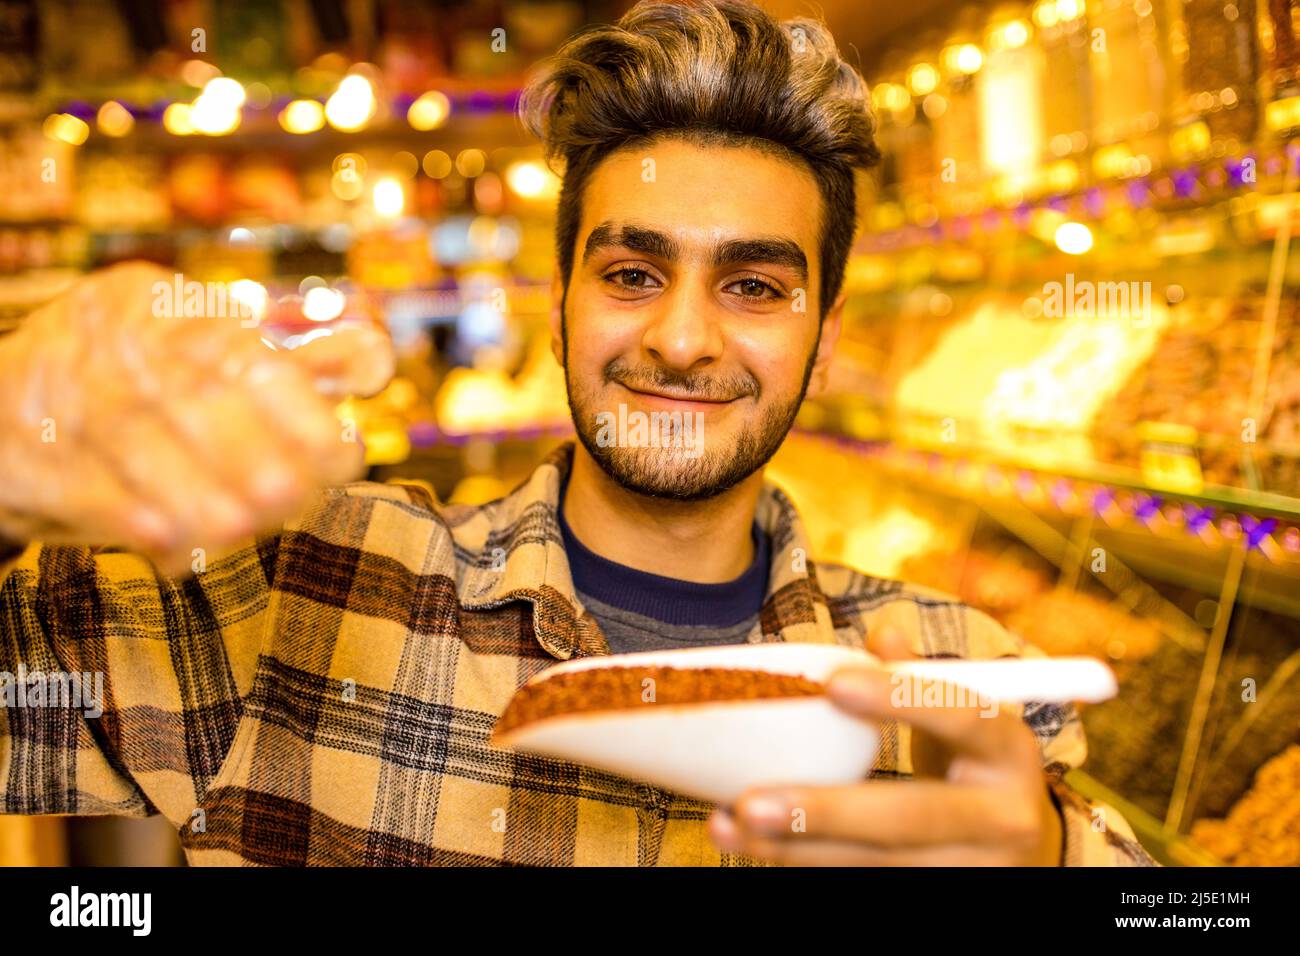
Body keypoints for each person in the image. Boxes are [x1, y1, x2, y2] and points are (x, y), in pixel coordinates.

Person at [0, 0, 1153, 866]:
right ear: (557, 304)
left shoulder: (959, 673)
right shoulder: (300, 598)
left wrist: (1053, 859)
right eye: (633, 271)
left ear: (827, 332)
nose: (686, 338)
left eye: (754, 286)